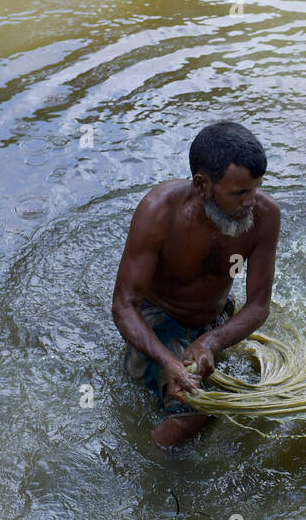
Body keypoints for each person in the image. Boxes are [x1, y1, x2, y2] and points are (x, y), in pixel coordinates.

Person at [112, 121, 280, 448]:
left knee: (258, 396)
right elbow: (124, 305)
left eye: (256, 188)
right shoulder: (158, 213)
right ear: (202, 186)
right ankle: (145, 463)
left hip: (214, 320)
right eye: (240, 193)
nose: (251, 202)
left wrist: (212, 341)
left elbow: (259, 304)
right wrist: (168, 360)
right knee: (195, 412)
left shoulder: (265, 216)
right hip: (160, 318)